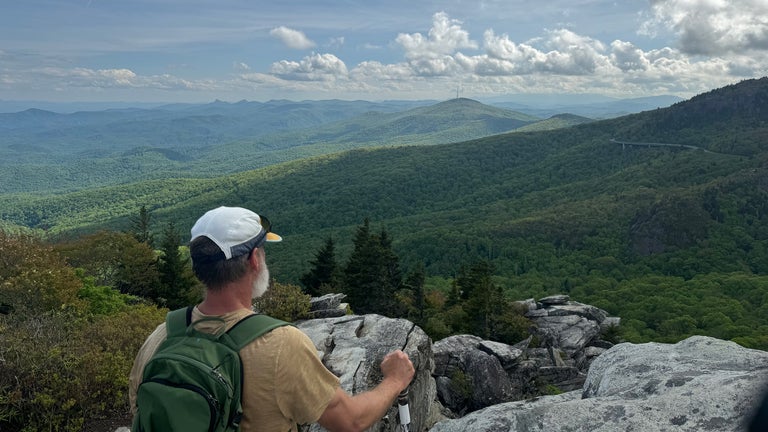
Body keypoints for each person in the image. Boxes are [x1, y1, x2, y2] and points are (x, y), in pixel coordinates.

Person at [129, 206, 415, 432]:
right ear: (254, 259)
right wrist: (394, 381)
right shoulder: (282, 345)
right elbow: (351, 421)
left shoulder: (162, 336)